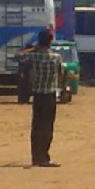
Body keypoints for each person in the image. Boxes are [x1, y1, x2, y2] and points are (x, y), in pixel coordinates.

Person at [27, 28, 64, 167]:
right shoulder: (56, 57)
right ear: (51, 41)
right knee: (47, 127)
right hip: (50, 95)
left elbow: (17, 56)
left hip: (37, 94)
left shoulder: (33, 56)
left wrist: (33, 49)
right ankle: (44, 156)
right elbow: (61, 75)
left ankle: (35, 157)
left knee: (36, 126)